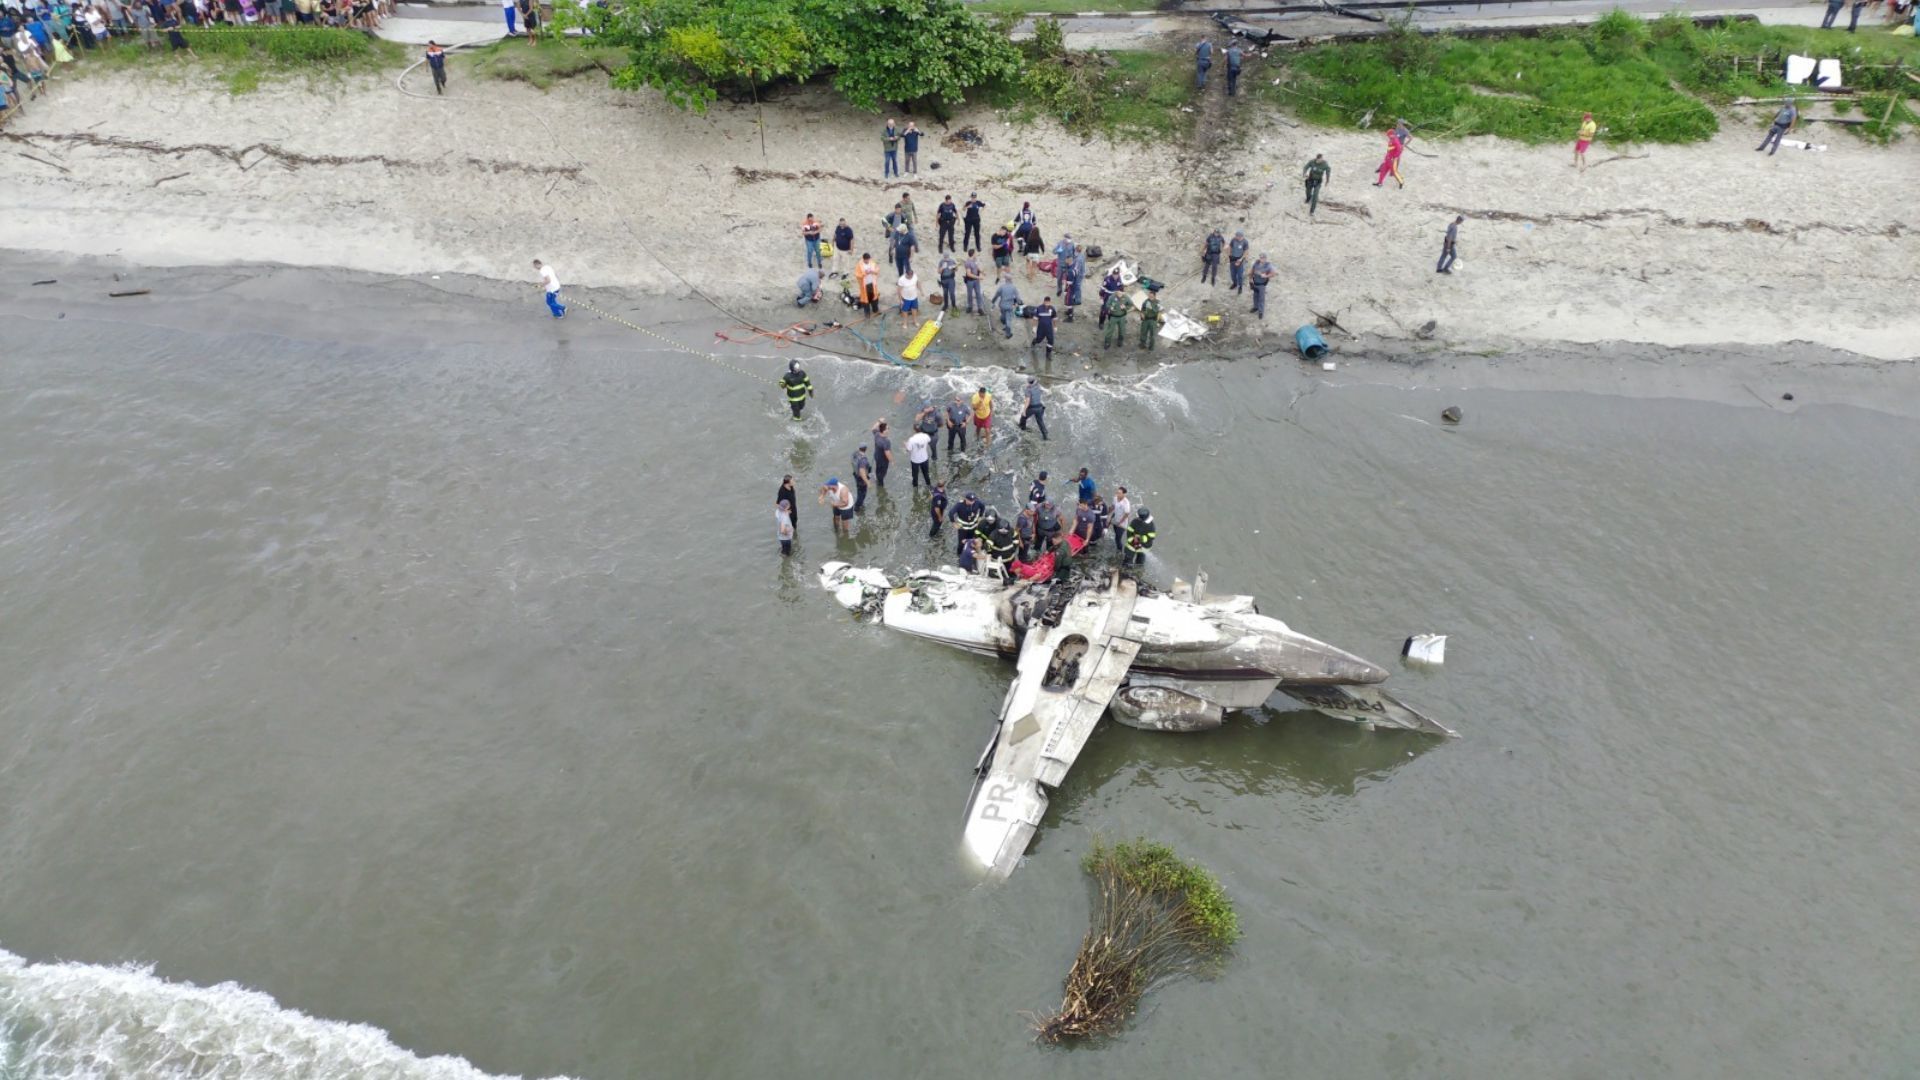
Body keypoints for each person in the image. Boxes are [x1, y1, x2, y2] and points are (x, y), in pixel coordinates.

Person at [1019, 375, 1049, 440]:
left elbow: (1028, 401)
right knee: (1040, 421)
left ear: (1028, 382)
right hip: (1040, 407)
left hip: (1032, 408)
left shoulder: (1028, 390)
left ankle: (1022, 431)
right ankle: (1045, 436)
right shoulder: (1038, 386)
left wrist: (1024, 411)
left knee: (1023, 418)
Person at [1029, 296, 1057, 366]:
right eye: (1046, 302)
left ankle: (1048, 354)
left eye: (1048, 302)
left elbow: (1054, 318)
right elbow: (1035, 318)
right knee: (1039, 339)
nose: (1047, 303)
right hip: (1041, 328)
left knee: (1051, 340)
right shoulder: (1039, 308)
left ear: (1050, 302)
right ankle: (1034, 342)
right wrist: (1034, 327)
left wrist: (1055, 327)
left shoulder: (1052, 308)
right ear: (1044, 301)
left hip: (1049, 328)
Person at [993, 275, 1021, 340]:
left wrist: (993, 301)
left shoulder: (1001, 287)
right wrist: (1019, 303)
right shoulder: (1014, 288)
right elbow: (1018, 297)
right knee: (1008, 319)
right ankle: (1008, 334)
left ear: (1005, 280)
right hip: (1009, 306)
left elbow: (996, 295)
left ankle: (1003, 322)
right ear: (1011, 280)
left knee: (1003, 315)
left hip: (1002, 305)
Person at [1249, 254, 1274, 319]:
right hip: (1255, 283)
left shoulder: (1268, 265)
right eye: (1261, 258)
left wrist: (1266, 276)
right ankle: (1255, 307)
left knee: (1261, 298)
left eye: (1263, 258)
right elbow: (1252, 271)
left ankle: (1261, 311)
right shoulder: (1256, 263)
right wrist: (1250, 279)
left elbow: (1273, 273)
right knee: (1255, 296)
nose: (1262, 259)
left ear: (1266, 258)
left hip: (1262, 285)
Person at [1109, 486, 1132, 554]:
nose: (1117, 494)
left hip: (1122, 524)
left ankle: (1120, 551)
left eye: (1119, 493)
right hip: (1115, 519)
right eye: (1117, 492)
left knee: (1118, 538)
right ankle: (1117, 544)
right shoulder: (1115, 498)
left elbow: (1127, 513)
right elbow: (1113, 506)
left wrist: (1120, 522)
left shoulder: (1126, 503)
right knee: (1116, 533)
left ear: (1124, 494)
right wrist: (1108, 513)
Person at [962, 250, 985, 315]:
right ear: (973, 254)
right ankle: (970, 306)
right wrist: (979, 277)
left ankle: (980, 308)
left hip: (976, 281)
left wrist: (981, 272)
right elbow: (968, 274)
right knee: (970, 294)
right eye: (975, 253)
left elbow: (977, 267)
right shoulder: (968, 263)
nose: (976, 254)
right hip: (970, 281)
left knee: (978, 294)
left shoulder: (974, 260)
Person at [850, 443, 872, 512]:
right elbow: (862, 471)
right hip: (861, 479)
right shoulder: (863, 460)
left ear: (859, 448)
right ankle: (857, 507)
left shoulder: (855, 454)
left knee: (859, 490)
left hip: (856, 475)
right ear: (865, 449)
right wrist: (867, 482)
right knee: (862, 494)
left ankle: (859, 504)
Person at [871, 420, 892, 488]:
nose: (888, 429)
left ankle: (878, 478)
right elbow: (887, 453)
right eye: (887, 428)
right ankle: (880, 484)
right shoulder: (886, 441)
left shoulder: (877, 434)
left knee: (878, 469)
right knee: (883, 473)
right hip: (883, 460)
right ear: (884, 431)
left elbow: (873, 428)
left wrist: (879, 421)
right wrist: (892, 461)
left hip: (877, 456)